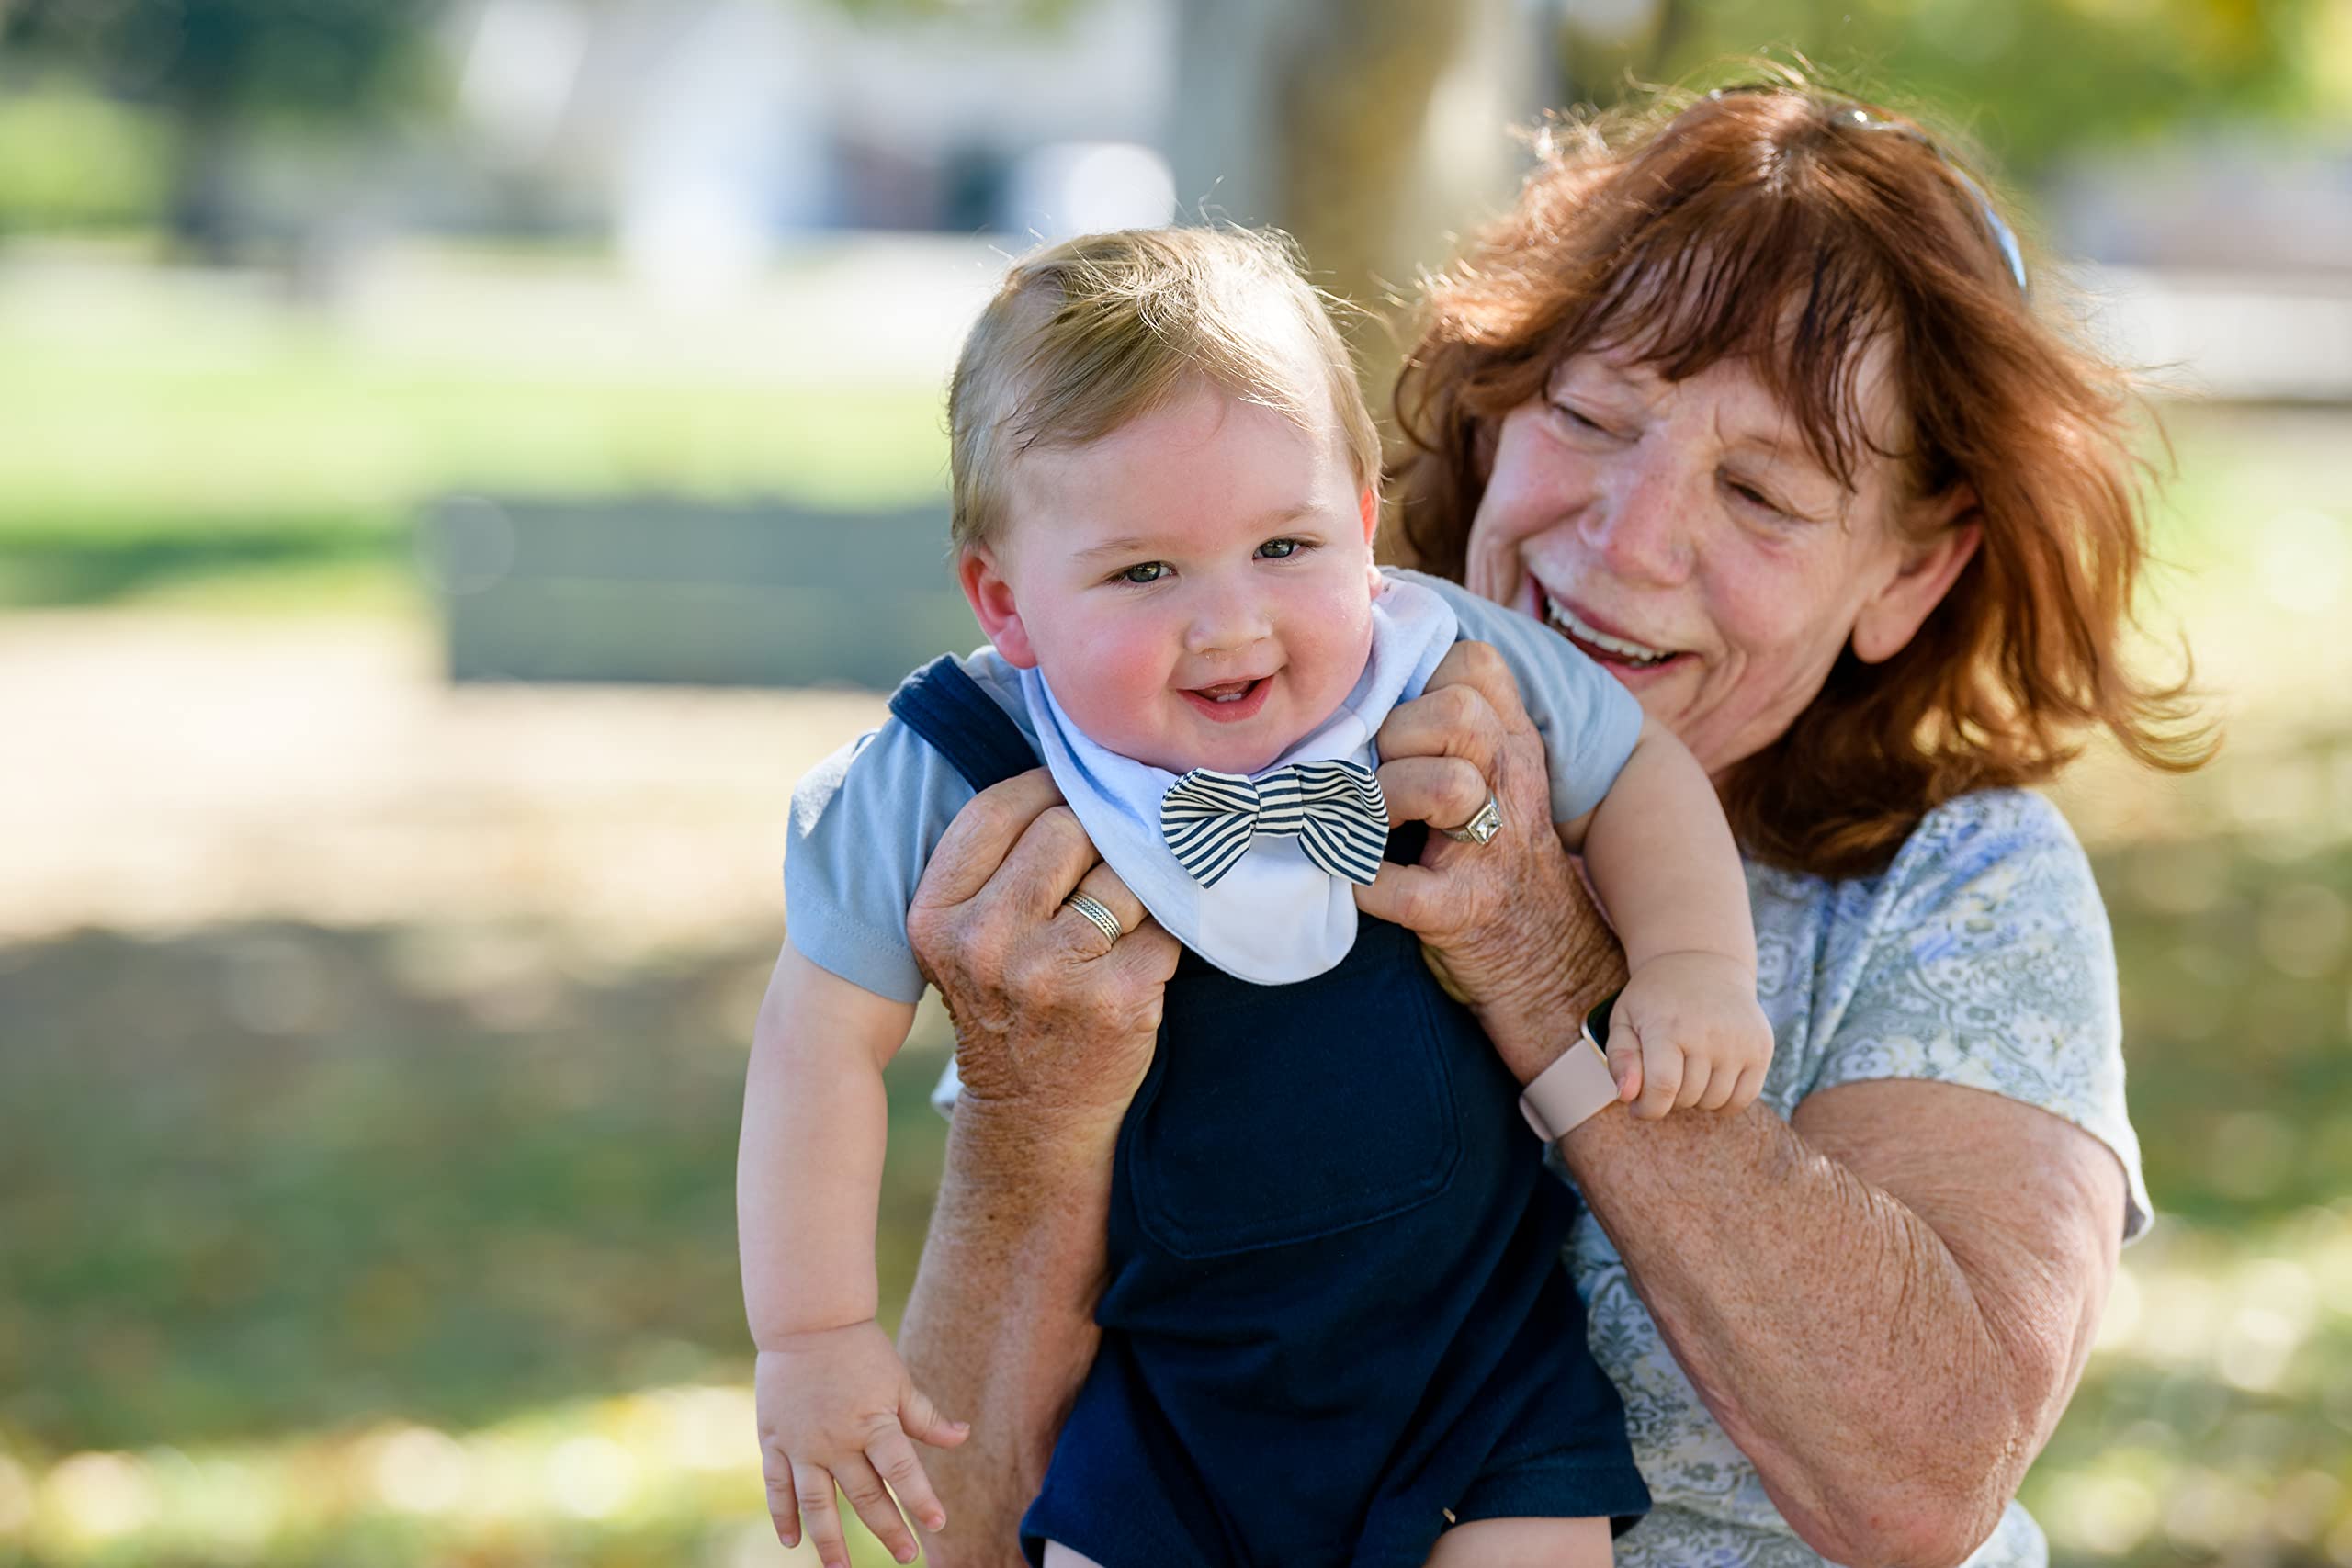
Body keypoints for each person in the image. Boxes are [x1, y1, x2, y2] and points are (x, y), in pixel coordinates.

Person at [851, 76, 2211, 1568]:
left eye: (1759, 491)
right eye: (1589, 414)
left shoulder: (1958, 883)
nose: (1628, 539)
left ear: (1910, 577)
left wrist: (1550, 963)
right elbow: (957, 1532)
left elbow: (1921, 1486)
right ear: (1492, 417)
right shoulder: (1199, 774)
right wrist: (1032, 1122)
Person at [741, 225, 1777, 1568]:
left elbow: (1637, 769)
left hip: (1471, 1365)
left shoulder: (1436, 663)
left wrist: (1695, 962)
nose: (1231, 622)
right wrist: (814, 1337)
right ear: (1006, 602)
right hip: (1174, 1399)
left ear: (1360, 519)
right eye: (1143, 572)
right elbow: (814, 1042)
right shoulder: (953, 768)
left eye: (1285, 547)